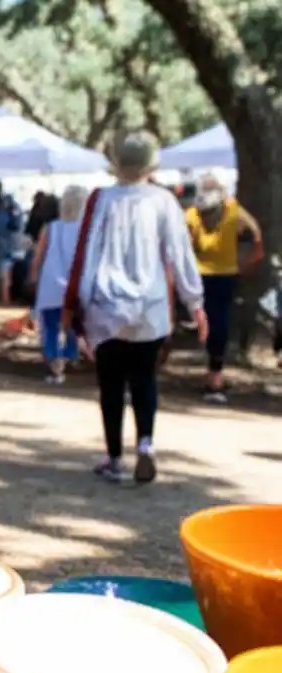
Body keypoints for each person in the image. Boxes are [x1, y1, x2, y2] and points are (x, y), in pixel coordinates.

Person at [64, 132, 206, 485]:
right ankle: (145, 443)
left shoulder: (102, 200)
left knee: (110, 385)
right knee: (144, 380)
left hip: (107, 308)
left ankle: (114, 457)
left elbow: (87, 254)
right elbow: (180, 254)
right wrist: (196, 303)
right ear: (150, 165)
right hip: (150, 308)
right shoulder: (163, 202)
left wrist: (78, 306)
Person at [186, 174, 263, 403]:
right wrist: (244, 265)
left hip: (197, 277)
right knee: (220, 321)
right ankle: (215, 376)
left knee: (199, 319)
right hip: (225, 275)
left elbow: (183, 247)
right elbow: (257, 242)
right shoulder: (234, 212)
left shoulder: (191, 215)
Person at [29, 185, 88, 384]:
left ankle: (54, 362)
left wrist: (34, 276)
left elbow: (38, 256)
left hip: (51, 285)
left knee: (52, 326)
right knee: (73, 324)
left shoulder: (51, 228)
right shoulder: (88, 230)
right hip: (77, 286)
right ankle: (71, 356)